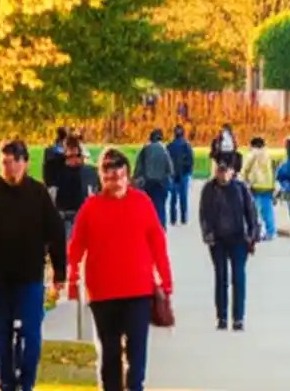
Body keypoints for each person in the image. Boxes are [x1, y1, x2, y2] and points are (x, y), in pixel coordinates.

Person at [0, 141, 67, 391]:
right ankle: (6, 383)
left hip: (29, 276)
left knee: (30, 334)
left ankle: (26, 383)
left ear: (25, 163)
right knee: (2, 336)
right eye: (6, 162)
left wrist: (59, 272)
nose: (11, 168)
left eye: (15, 162)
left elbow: (55, 233)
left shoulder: (38, 194)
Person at [68, 148, 173, 391]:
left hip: (138, 290)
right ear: (101, 178)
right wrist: (71, 279)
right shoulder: (91, 208)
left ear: (127, 176)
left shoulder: (142, 203)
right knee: (109, 352)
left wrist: (166, 283)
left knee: (136, 352)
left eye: (118, 175)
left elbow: (158, 244)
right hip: (103, 293)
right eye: (108, 176)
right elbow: (76, 247)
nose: (114, 181)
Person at [198, 157, 259, 331]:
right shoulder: (209, 189)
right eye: (219, 171)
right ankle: (222, 316)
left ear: (232, 172)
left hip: (239, 239)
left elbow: (251, 213)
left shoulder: (240, 189)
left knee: (238, 277)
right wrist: (207, 234)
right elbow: (204, 215)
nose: (222, 175)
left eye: (226, 171)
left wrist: (252, 235)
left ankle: (238, 317)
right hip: (218, 240)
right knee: (221, 277)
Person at [44, 135, 100, 240]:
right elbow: (50, 152)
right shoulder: (56, 172)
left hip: (83, 216)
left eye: (77, 155)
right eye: (70, 156)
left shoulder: (89, 172)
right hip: (64, 218)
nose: (74, 159)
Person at [133, 129, 174, 227]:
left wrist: (135, 179)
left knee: (149, 207)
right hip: (161, 183)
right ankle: (161, 227)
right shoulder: (164, 150)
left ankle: (150, 227)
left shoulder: (145, 149)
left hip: (148, 183)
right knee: (161, 207)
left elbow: (139, 167)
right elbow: (170, 169)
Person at [241, 137, 277, 241]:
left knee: (253, 209)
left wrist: (242, 182)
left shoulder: (251, 155)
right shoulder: (268, 155)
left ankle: (254, 232)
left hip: (255, 185)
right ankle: (271, 232)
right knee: (267, 210)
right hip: (268, 185)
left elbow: (245, 169)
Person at [166, 125, 194, 225]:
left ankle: (173, 218)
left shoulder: (169, 146)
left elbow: (167, 161)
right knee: (183, 197)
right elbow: (191, 160)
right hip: (183, 173)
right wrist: (189, 171)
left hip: (173, 174)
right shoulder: (186, 145)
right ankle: (183, 218)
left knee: (173, 198)